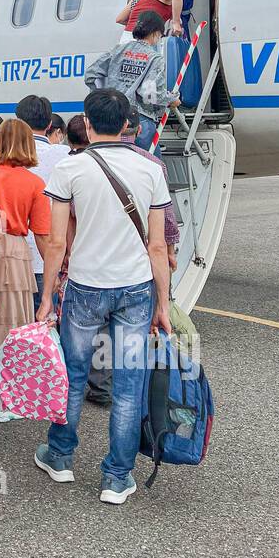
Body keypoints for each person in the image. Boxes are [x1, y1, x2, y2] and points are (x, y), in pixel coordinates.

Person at [35, 88, 172, 506]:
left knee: (74, 375)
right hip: (134, 289)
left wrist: (46, 298)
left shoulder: (71, 170)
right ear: (129, 124)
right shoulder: (151, 170)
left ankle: (60, 456)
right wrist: (162, 305)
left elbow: (56, 242)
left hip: (84, 286)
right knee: (129, 385)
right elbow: (158, 246)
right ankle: (116, 477)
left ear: (87, 124)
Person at [84, 103, 181, 407]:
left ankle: (99, 385)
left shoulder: (81, 162)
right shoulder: (152, 165)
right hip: (136, 265)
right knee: (130, 331)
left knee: (99, 327)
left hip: (95, 265)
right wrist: (170, 250)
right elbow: (164, 219)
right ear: (138, 130)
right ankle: (128, 389)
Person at [0, 119, 51, 420]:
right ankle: (4, 401)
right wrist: (55, 275)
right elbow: (42, 234)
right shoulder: (35, 184)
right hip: (16, 254)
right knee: (11, 328)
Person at [85, 11, 180, 149]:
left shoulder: (118, 50)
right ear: (155, 33)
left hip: (112, 119)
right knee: (151, 165)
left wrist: (104, 98)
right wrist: (171, 100)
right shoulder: (155, 58)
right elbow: (150, 95)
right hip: (139, 122)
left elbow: (91, 74)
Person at [16, 95, 70, 311]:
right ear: (49, 125)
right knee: (45, 330)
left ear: (18, 122)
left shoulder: (5, 157)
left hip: (13, 260)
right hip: (49, 258)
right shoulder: (66, 156)